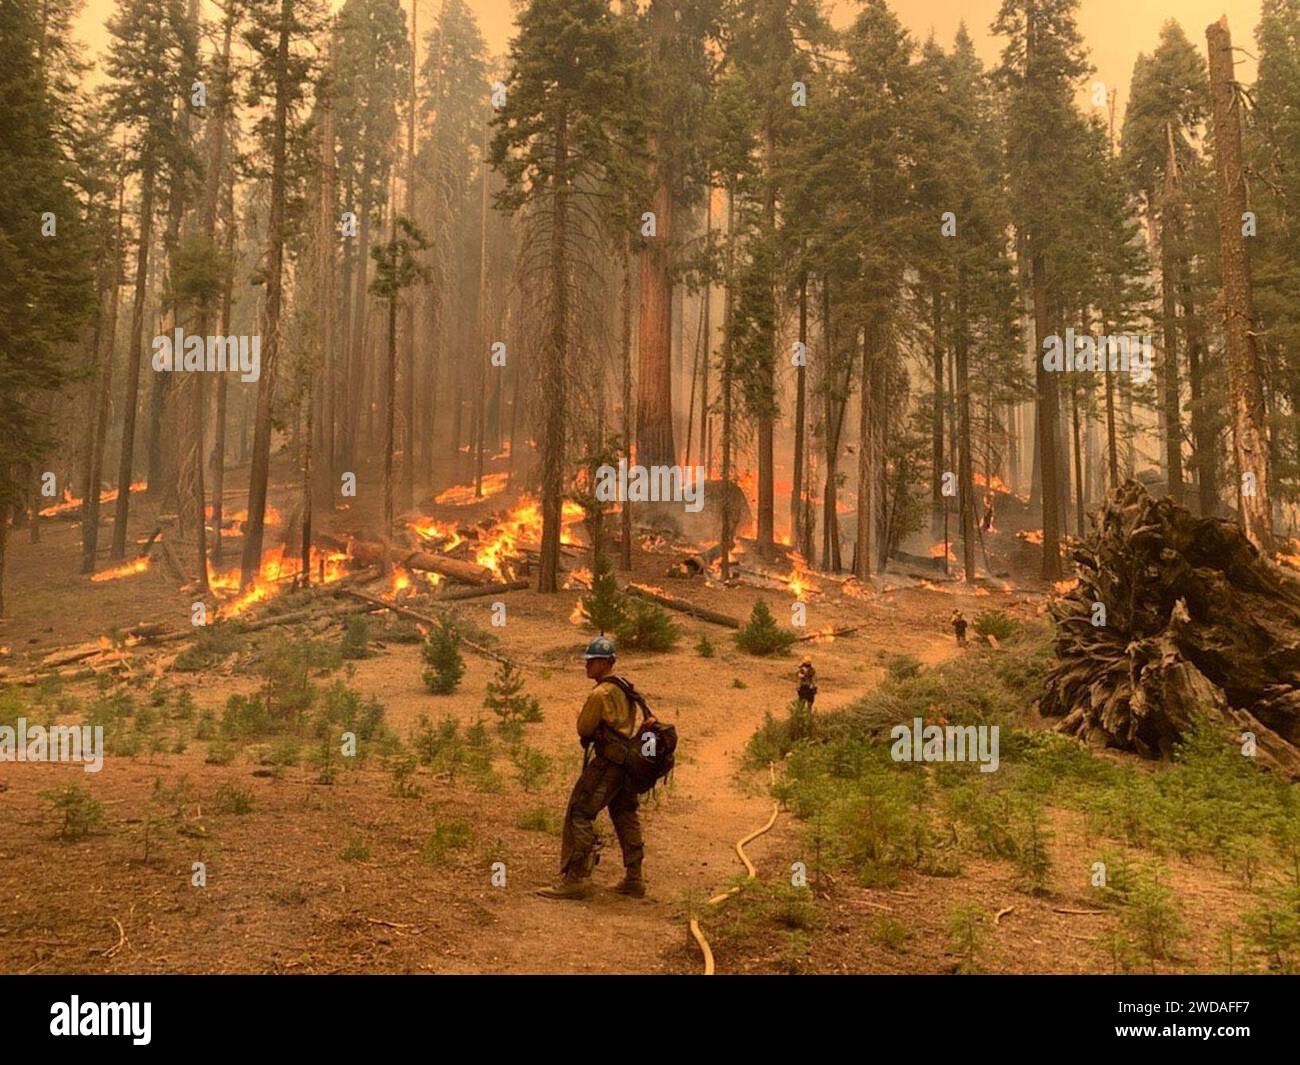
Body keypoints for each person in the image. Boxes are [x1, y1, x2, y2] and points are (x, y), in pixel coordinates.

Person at [536, 635, 646, 900]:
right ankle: (634, 879)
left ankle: (577, 879)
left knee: (580, 813)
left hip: (608, 763)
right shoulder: (624, 686)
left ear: (605, 663)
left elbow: (584, 728)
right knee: (624, 814)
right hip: (627, 763)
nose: (586, 666)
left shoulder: (600, 693)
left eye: (591, 662)